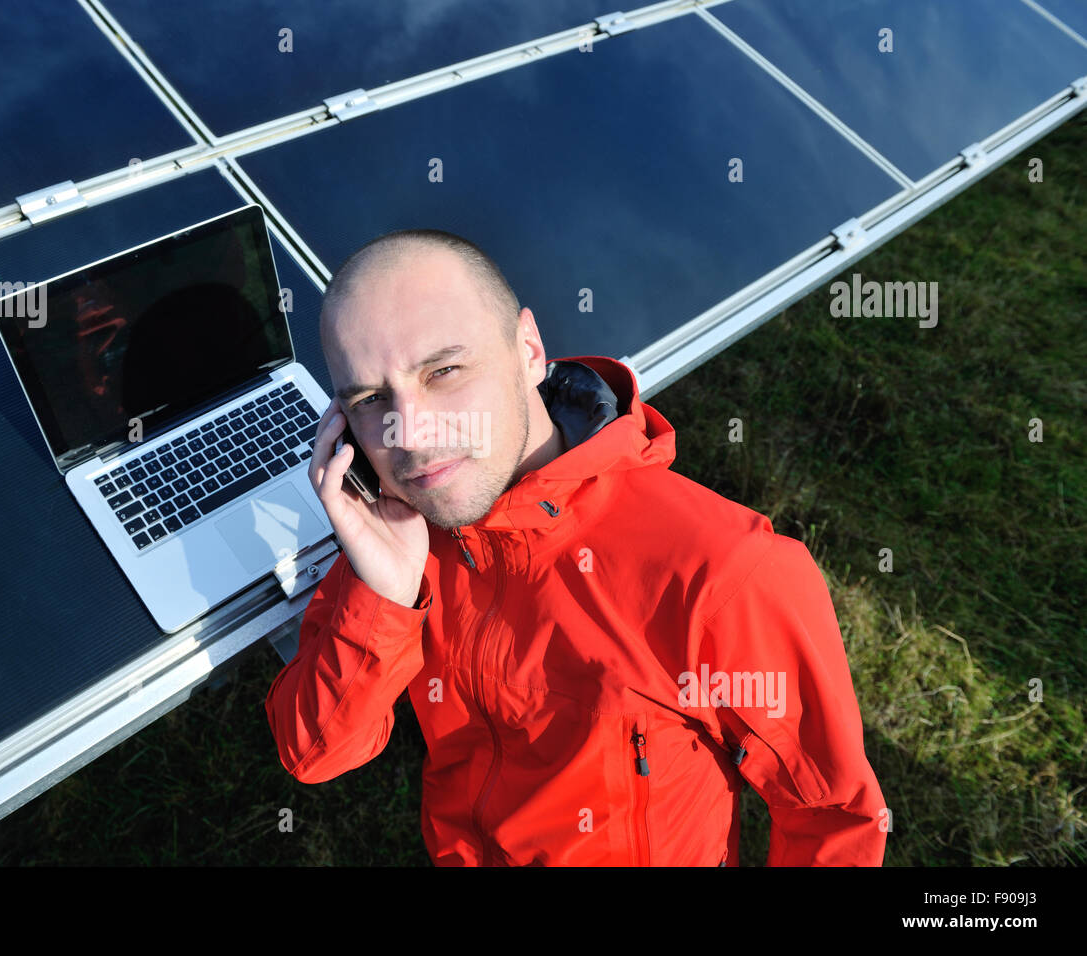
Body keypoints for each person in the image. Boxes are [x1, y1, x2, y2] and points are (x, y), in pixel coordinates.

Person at [264, 228, 887, 866]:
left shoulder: (722, 572)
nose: (412, 435)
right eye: (369, 399)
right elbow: (315, 753)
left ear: (529, 351)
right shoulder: (407, 527)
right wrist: (383, 599)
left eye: (444, 371)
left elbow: (833, 818)